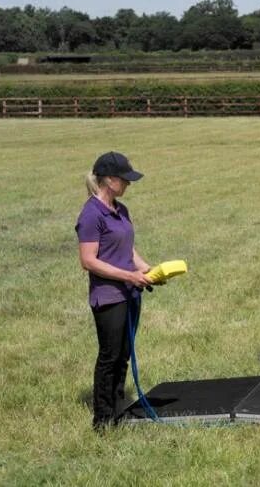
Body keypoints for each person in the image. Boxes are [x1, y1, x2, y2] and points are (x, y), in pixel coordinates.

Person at [75, 151, 151, 430]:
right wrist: (128, 275)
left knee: (124, 354)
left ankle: (119, 408)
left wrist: (147, 270)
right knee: (110, 356)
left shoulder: (121, 210)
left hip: (130, 293)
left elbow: (127, 250)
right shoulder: (91, 214)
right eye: (124, 179)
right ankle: (103, 418)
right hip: (108, 296)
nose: (128, 184)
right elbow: (88, 261)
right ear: (109, 180)